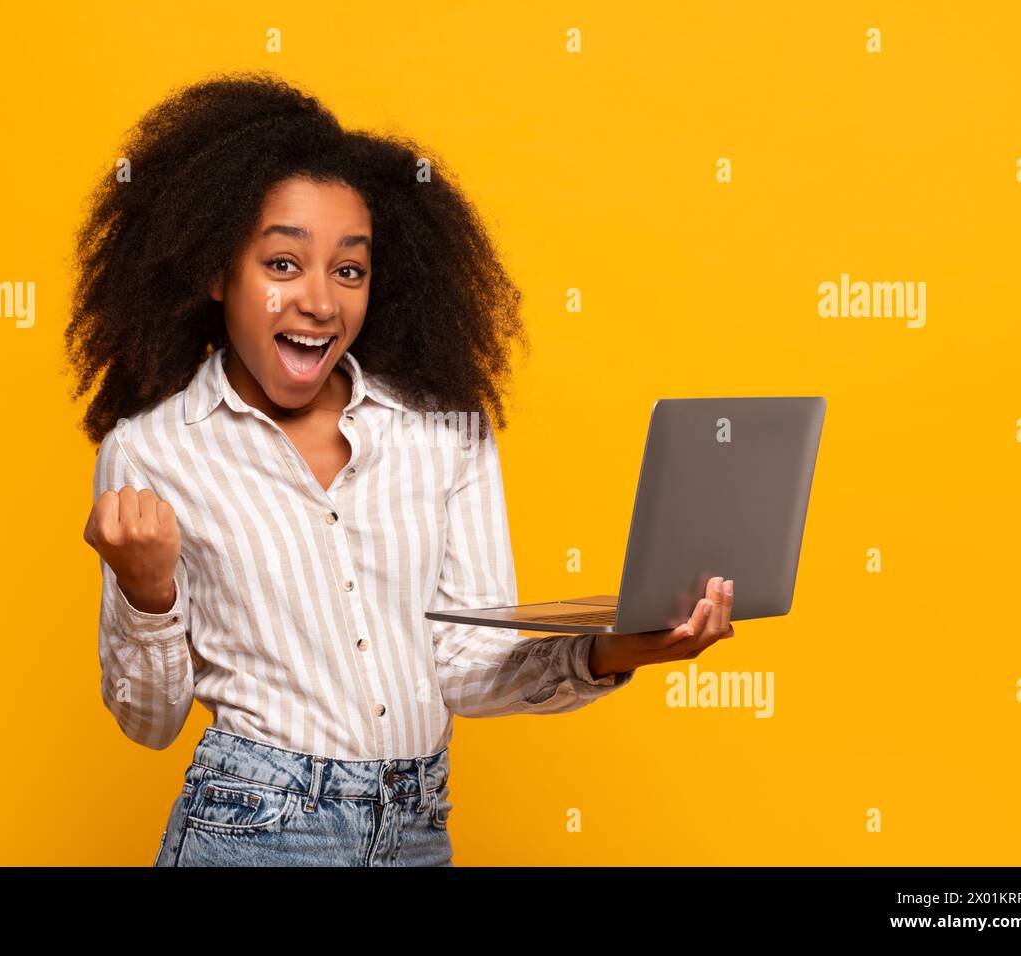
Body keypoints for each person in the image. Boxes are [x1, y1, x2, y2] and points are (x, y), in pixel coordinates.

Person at [68, 71, 734, 867]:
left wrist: (620, 650)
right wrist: (148, 592)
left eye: (348, 271)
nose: (320, 300)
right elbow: (147, 722)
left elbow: (468, 668)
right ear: (218, 273)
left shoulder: (442, 433)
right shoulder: (153, 452)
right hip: (251, 829)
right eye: (283, 264)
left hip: (417, 828)